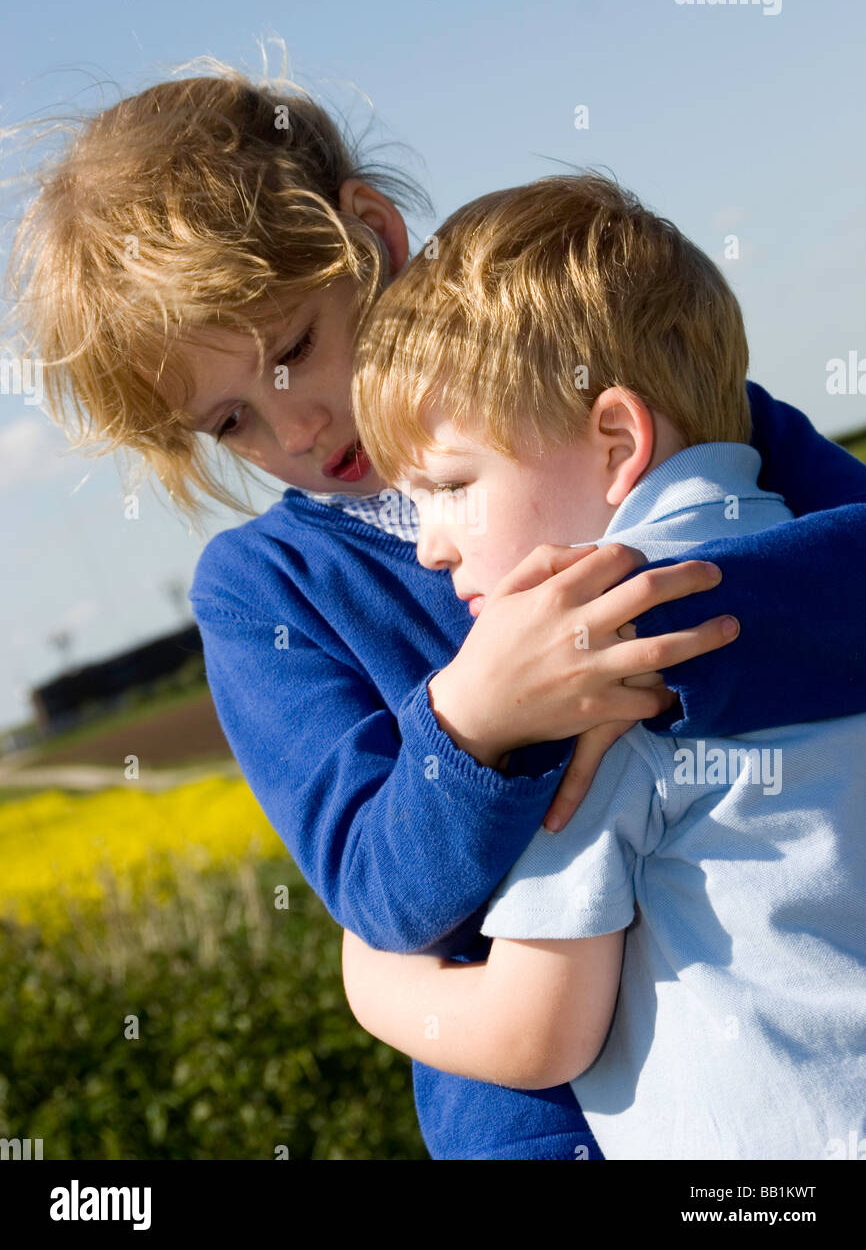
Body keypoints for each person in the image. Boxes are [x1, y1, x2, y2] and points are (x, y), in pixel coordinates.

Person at [8, 67, 866, 1160]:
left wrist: (629, 654)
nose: (299, 425)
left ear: (368, 231)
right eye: (232, 419)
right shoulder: (262, 591)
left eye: (295, 348)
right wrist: (477, 718)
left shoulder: (598, 371)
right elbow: (377, 884)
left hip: (799, 1036)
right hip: (541, 1125)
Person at [342, 173, 866, 1159]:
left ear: (617, 440)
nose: (428, 545)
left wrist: (372, 978)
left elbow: (536, 1031)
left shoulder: (605, 680)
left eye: (452, 487)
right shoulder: (828, 585)